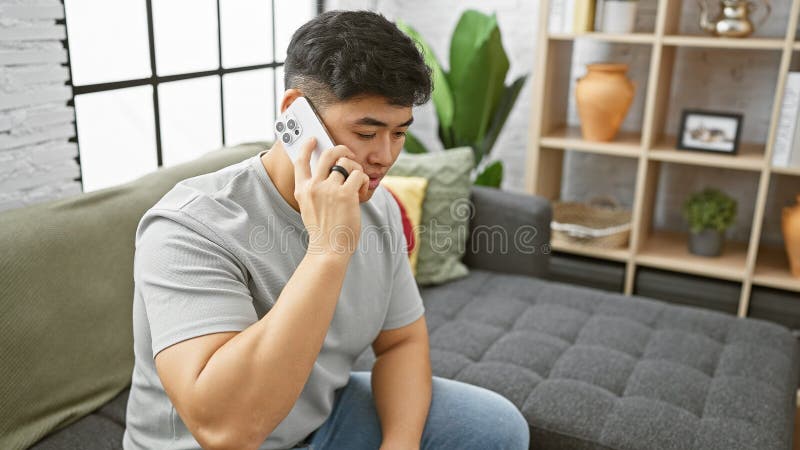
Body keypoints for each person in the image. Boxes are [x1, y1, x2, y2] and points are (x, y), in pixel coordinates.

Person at [122, 10, 530, 450]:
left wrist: (401, 445)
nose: (385, 156)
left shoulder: (380, 207)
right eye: (366, 131)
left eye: (398, 133)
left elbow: (402, 343)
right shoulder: (188, 228)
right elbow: (228, 431)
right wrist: (328, 250)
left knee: (497, 426)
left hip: (319, 422)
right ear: (294, 114)